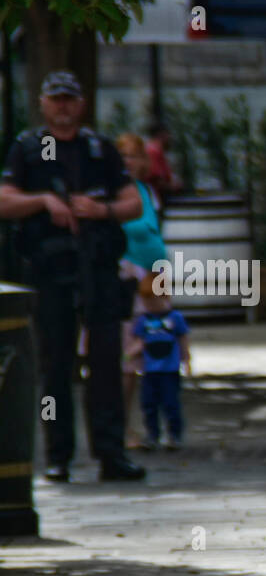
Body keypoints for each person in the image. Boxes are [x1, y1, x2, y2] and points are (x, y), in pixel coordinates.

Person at [0, 70, 146, 482]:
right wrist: (45, 201)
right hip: (51, 274)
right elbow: (5, 201)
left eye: (69, 99)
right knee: (54, 367)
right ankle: (57, 455)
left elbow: (133, 200)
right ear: (44, 104)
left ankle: (111, 453)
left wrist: (103, 212)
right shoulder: (30, 149)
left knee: (105, 364)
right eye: (55, 99)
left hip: (97, 270)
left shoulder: (99, 149)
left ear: (80, 104)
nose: (62, 106)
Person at [115, 132, 169, 449]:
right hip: (126, 277)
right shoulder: (109, 194)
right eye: (122, 155)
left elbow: (155, 234)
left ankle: (151, 423)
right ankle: (120, 427)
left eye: (134, 155)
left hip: (154, 276)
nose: (129, 161)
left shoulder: (148, 192)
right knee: (126, 354)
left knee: (154, 350)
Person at [131, 284, 190, 450]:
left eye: (153, 301)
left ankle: (174, 435)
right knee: (149, 404)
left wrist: (186, 359)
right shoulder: (144, 320)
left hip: (169, 370)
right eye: (147, 302)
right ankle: (152, 435)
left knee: (171, 403)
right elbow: (139, 341)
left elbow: (183, 338)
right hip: (150, 371)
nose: (150, 306)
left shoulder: (175, 318)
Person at [144, 122, 181, 204]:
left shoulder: (156, 151)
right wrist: (173, 187)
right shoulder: (153, 152)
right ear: (162, 135)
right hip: (155, 201)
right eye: (169, 134)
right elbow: (156, 180)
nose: (170, 138)